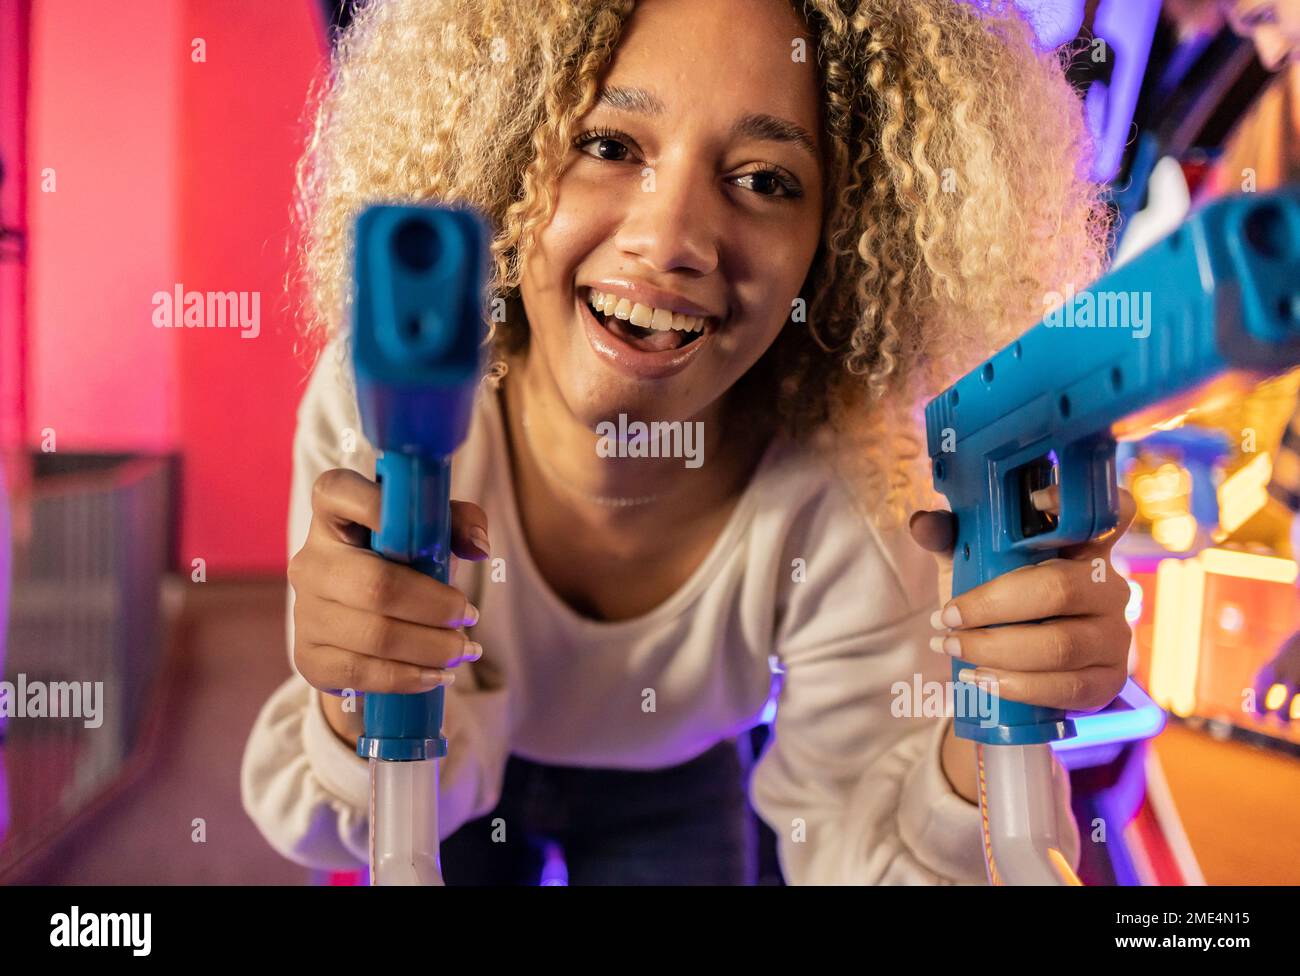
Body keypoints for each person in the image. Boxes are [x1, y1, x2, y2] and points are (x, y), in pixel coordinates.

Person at [240, 0, 1133, 884]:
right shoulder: (388, 404)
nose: (669, 242)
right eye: (609, 146)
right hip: (451, 752)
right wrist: (362, 692)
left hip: (676, 773)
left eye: (765, 180)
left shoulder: (849, 492)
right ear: (507, 153)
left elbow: (867, 842)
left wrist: (994, 717)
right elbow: (348, 826)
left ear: (840, 242)